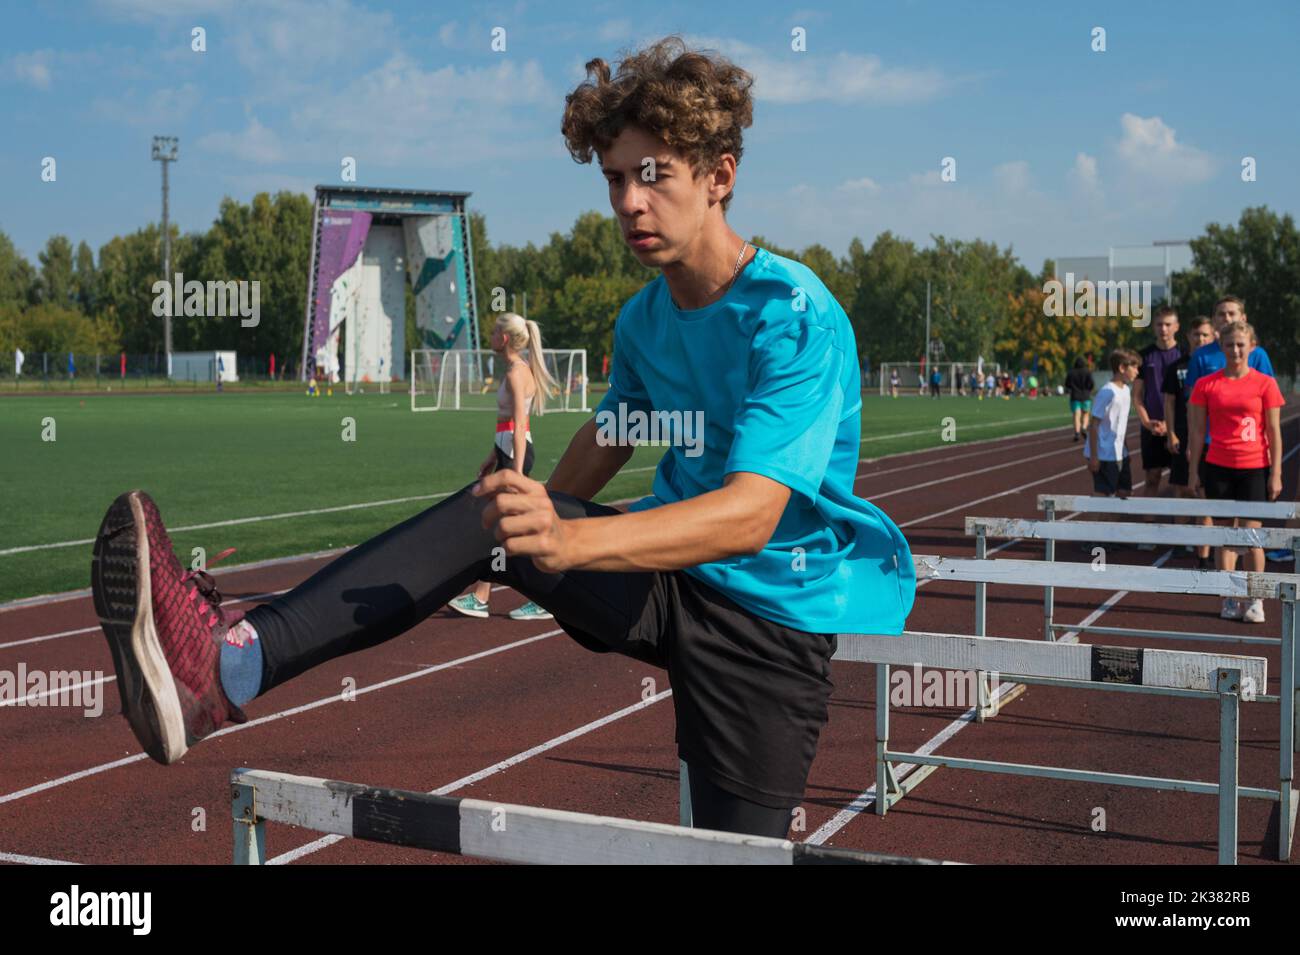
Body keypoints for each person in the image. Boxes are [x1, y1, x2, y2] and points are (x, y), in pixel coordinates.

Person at [88, 35, 915, 840]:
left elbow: (751, 516)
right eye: (616, 178)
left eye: (653, 176)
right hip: (670, 579)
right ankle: (231, 666)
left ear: (720, 177)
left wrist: (566, 536)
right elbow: (613, 434)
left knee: (735, 853)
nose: (629, 201)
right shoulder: (646, 319)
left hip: (768, 626)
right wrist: (529, 517)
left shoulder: (791, 316)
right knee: (494, 513)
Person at [448, 312, 558, 622]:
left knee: (505, 528)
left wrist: (516, 472)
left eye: (495, 332)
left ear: (505, 339)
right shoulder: (516, 369)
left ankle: (495, 596)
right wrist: (492, 456)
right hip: (508, 451)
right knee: (507, 527)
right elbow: (509, 425)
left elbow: (521, 424)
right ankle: (518, 596)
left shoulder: (515, 374)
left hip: (516, 454)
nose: (491, 337)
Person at [1187, 322, 1285, 623]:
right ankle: (1228, 596)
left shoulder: (1265, 384)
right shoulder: (1207, 384)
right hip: (1218, 466)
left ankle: (1256, 598)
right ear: (1222, 347)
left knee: (1252, 535)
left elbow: (1273, 430)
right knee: (1226, 535)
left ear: (1251, 346)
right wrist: (1194, 470)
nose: (1235, 350)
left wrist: (1276, 472)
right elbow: (1197, 430)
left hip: (1254, 466)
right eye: (1229, 345)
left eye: (1241, 344)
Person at [1162, 317, 1216, 567]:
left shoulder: (1219, 364)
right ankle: (1180, 541)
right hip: (1185, 434)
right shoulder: (1177, 367)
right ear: (1189, 337)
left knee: (1207, 494)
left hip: (1213, 437)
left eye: (1205, 335)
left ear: (1213, 336)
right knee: (1182, 489)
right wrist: (1171, 432)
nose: (1200, 339)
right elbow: (1170, 402)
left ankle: (1207, 547)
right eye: (1196, 335)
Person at [1131, 305, 1184, 548]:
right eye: (1159, 324)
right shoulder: (1144, 356)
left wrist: (1171, 425)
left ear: (1176, 327)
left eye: (1168, 324)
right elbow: (1138, 396)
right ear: (1154, 326)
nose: (1163, 329)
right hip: (1151, 427)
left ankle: (1180, 535)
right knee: (1151, 478)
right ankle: (1148, 535)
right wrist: (1147, 422)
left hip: (1179, 428)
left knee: (1180, 484)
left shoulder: (1185, 355)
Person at [1083, 350, 1140, 523]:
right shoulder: (1107, 392)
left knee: (1124, 492)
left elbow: (1120, 425)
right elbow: (1094, 424)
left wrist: (1126, 450)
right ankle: (1092, 537)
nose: (1137, 372)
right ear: (1122, 368)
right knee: (1103, 494)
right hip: (1103, 453)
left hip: (1119, 452)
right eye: (1135, 367)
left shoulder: (1125, 391)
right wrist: (1094, 456)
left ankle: (1111, 533)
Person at [1065, 357, 1094, 442]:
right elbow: (1091, 384)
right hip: (1086, 396)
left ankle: (1077, 432)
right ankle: (1084, 428)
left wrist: (1073, 388)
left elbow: (1067, 384)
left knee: (1076, 415)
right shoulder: (1087, 372)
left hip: (1075, 396)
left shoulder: (1071, 372)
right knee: (1086, 414)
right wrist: (1088, 390)